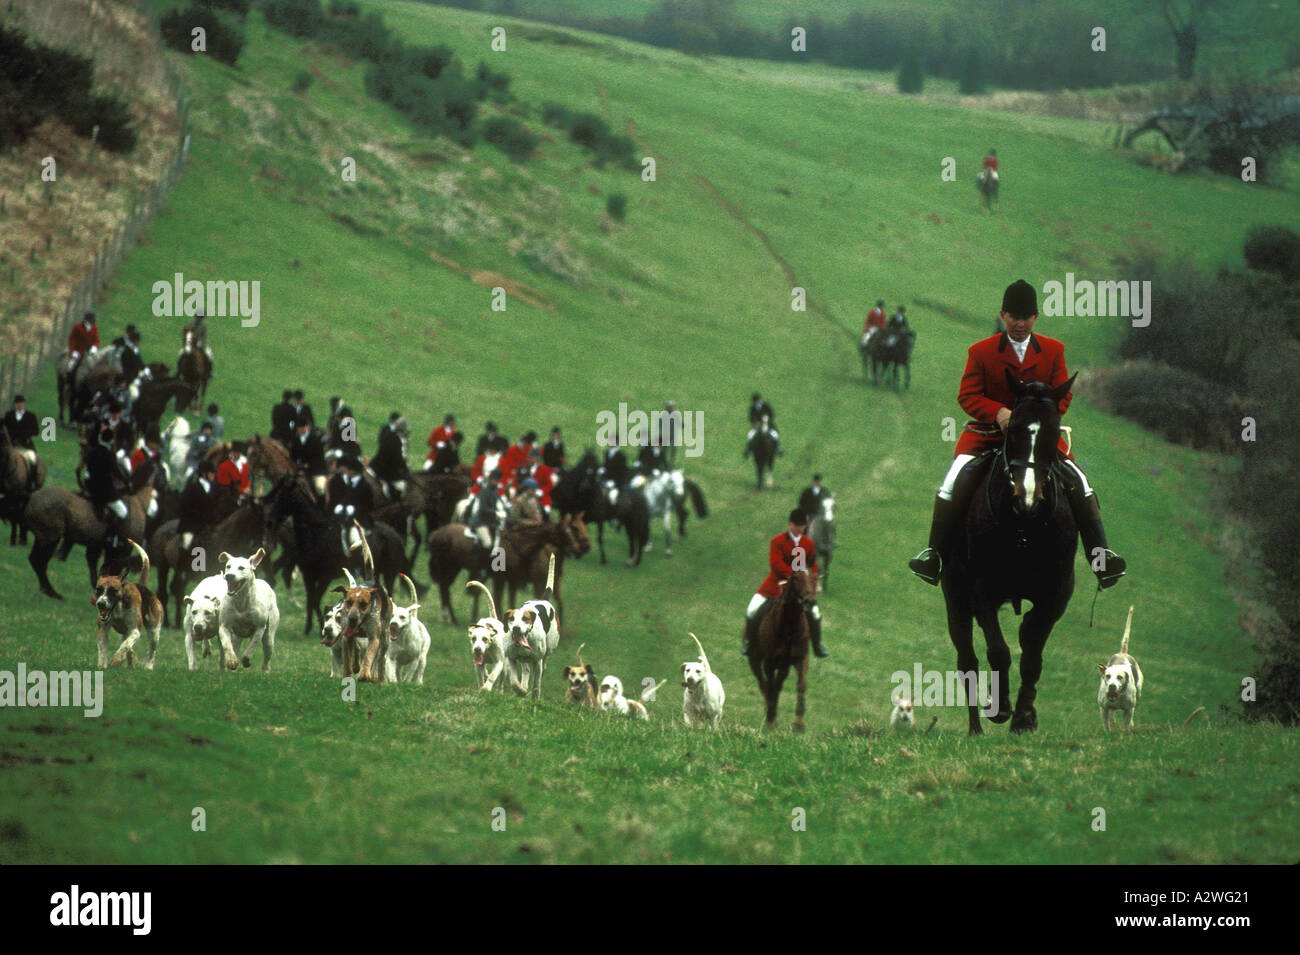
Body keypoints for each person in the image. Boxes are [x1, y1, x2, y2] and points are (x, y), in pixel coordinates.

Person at [907, 279, 1126, 589]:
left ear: (1035, 318)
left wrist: (1035, 415)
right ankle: (934, 556)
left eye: (1026, 318)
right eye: (1014, 317)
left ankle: (1101, 558)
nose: (1020, 324)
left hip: (1037, 441)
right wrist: (998, 413)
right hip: (988, 436)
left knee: (1080, 480)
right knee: (952, 480)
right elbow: (967, 395)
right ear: (1003, 316)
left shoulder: (1053, 351)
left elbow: (1063, 395)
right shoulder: (980, 352)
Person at [740, 509, 826, 658]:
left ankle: (817, 645)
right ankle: (749, 642)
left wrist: (812, 582)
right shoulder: (777, 541)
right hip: (776, 585)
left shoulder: (808, 543)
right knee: (752, 609)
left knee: (815, 613)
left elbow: (813, 566)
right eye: (798, 526)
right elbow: (776, 564)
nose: (801, 529)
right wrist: (793, 577)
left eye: (803, 526)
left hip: (801, 590)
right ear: (790, 525)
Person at [84, 426, 132, 549]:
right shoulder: (109, 455)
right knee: (123, 512)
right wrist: (127, 481)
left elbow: (89, 468)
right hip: (104, 491)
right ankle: (111, 537)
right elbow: (117, 472)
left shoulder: (92, 452)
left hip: (90, 488)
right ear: (111, 440)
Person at [328, 455, 374, 553]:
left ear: (353, 472)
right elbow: (345, 498)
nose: (347, 472)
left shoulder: (365, 486)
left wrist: (355, 509)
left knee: (355, 540)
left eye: (348, 471)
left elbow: (369, 506)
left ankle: (359, 565)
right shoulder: (349, 483)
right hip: (346, 519)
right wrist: (341, 506)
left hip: (361, 520)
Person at [467, 467, 508, 560]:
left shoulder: (496, 492)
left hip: (491, 522)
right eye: (494, 480)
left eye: (497, 480)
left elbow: (500, 505)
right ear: (490, 480)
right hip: (481, 522)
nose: (496, 482)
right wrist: (496, 513)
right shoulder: (484, 492)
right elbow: (483, 509)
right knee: (487, 543)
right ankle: (480, 564)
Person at [3, 395, 40, 483]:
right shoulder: (9, 415)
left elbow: (36, 431)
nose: (19, 405)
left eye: (21, 403)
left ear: (24, 404)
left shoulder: (31, 416)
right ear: (15, 405)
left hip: (26, 446)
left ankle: (32, 481)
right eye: (17, 404)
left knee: (32, 459)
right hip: (11, 445)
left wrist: (24, 435)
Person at [372, 413, 410, 497]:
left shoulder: (390, 436)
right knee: (401, 485)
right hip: (385, 469)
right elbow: (398, 459)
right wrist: (406, 470)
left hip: (376, 464)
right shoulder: (398, 441)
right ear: (403, 430)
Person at [289, 419, 328, 497]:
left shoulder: (316, 440)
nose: (301, 429)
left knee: (320, 487)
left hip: (316, 471)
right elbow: (293, 455)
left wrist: (307, 465)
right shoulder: (295, 440)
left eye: (303, 427)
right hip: (300, 470)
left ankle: (322, 507)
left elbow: (319, 458)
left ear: (307, 427)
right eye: (299, 428)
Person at [66, 311, 100, 381]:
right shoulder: (77, 327)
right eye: (93, 320)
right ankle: (68, 383)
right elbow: (71, 339)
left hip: (89, 352)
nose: (94, 321)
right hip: (78, 351)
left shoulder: (94, 327)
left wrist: (94, 347)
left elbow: (96, 340)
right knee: (71, 367)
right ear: (88, 320)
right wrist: (73, 351)